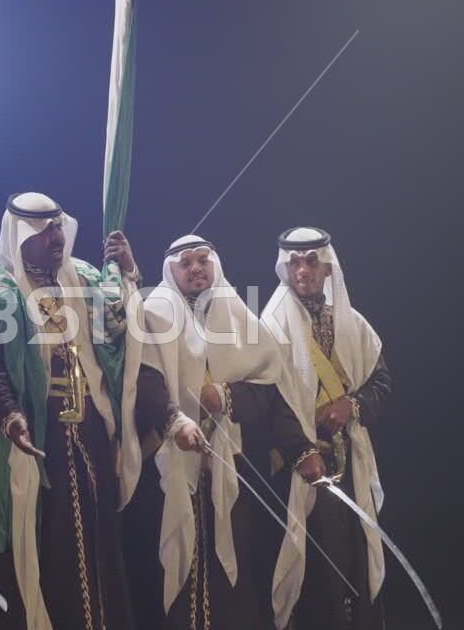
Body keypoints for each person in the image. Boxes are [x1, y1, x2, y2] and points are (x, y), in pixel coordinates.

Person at [0, 192, 144, 630]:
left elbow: (118, 330)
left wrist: (127, 270)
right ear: (21, 236)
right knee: (48, 546)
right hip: (35, 442)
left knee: (100, 544)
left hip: (91, 435)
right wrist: (11, 417)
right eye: (44, 231)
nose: (56, 237)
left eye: (58, 227)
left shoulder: (83, 278)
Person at [124, 235, 302, 630]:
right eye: (185, 262)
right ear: (171, 271)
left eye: (202, 260)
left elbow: (269, 385)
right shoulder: (155, 312)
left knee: (231, 561)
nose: (196, 268)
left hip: (226, 463)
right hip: (167, 459)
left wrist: (225, 395)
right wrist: (175, 421)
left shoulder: (236, 313)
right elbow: (145, 380)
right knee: (171, 558)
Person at [265, 227, 394, 630]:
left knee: (354, 555)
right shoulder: (270, 324)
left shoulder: (352, 322)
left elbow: (381, 382)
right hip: (297, 469)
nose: (303, 270)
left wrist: (350, 404)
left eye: (311, 262)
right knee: (314, 567)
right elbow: (270, 398)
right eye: (295, 263)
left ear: (326, 267)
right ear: (285, 268)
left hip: (349, 461)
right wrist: (303, 452)